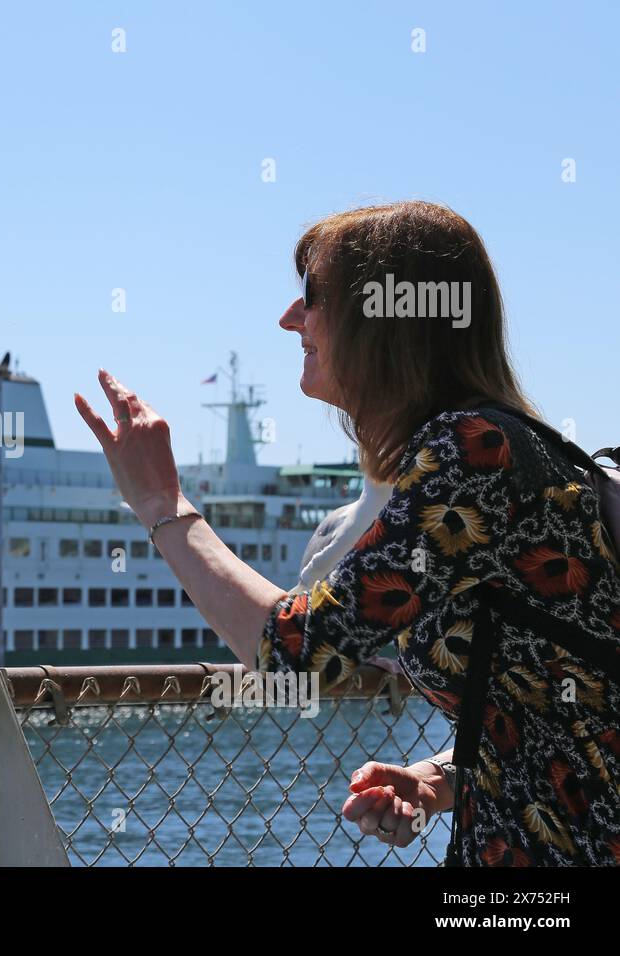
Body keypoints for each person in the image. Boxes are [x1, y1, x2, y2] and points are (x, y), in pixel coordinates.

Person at [76, 201, 620, 865]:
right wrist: (436, 780)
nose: (289, 318)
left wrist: (162, 503)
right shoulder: (505, 446)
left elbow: (292, 656)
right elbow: (560, 707)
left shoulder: (473, 450)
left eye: (312, 297)